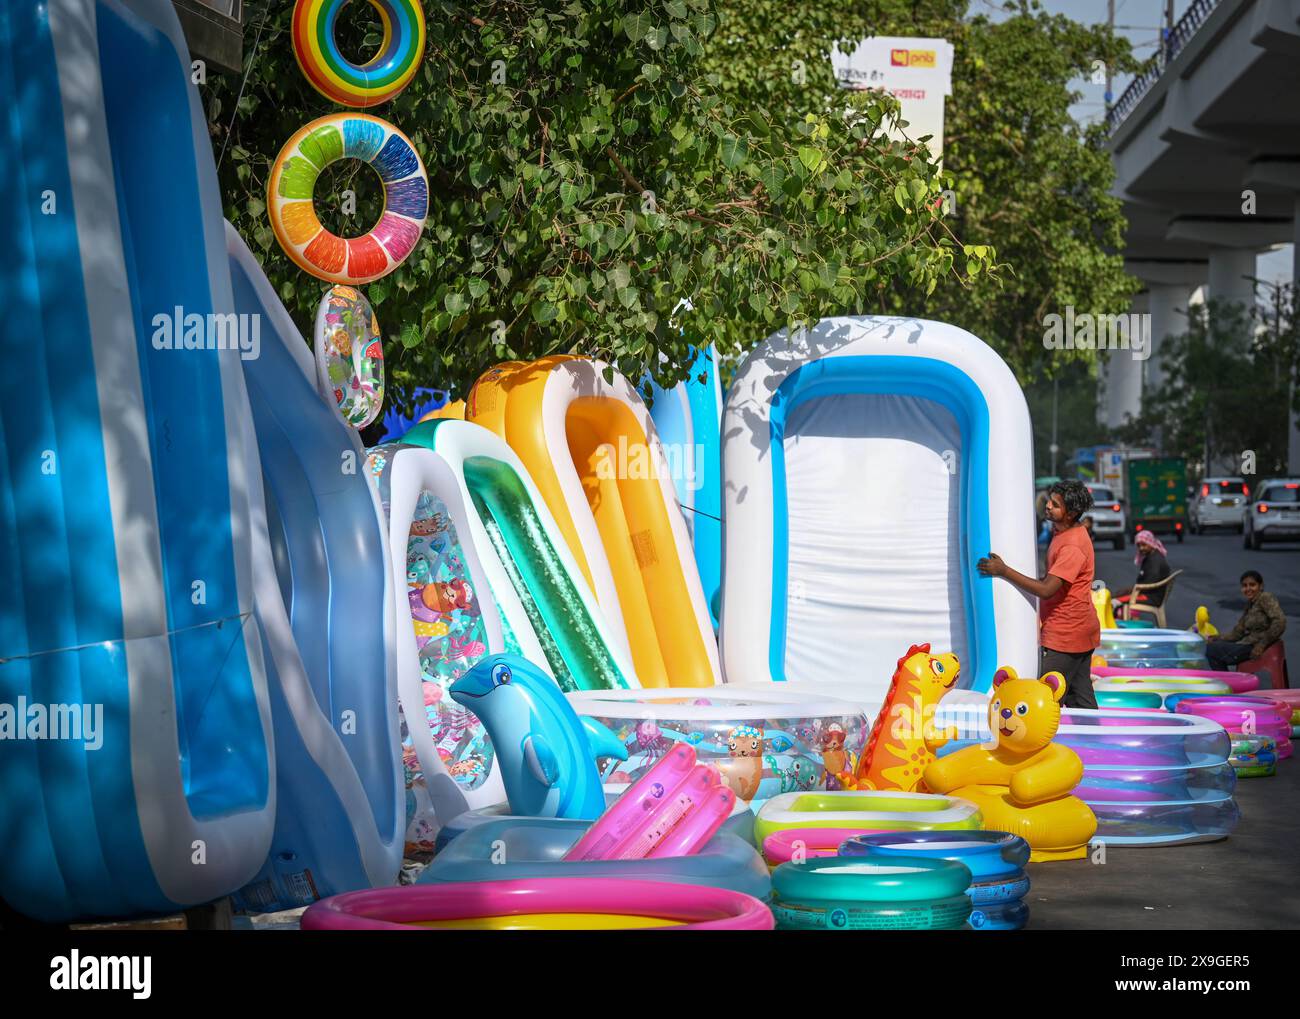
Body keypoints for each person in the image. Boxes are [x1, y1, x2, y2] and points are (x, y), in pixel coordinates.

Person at [978, 479, 1099, 709]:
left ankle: (1060, 742)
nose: (1048, 506)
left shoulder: (1072, 545)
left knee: (1042, 700)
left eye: (1055, 504)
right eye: (1049, 500)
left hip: (1067, 634)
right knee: (1080, 698)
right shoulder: (1063, 531)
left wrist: (1004, 571)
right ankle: (1094, 741)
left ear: (1071, 513)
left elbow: (1047, 589)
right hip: (1077, 630)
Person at [1206, 570, 1286, 671]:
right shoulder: (1250, 605)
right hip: (1247, 645)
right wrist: (1217, 638)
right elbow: (1237, 633)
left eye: (1252, 585)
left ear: (1260, 586)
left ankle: (1227, 683)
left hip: (1255, 646)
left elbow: (1280, 621)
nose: (1248, 589)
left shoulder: (1265, 598)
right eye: (1244, 586)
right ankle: (1229, 682)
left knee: (1211, 650)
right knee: (1213, 646)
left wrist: (1262, 644)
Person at [1115, 530, 1172, 612]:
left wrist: (1132, 590)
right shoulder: (1151, 556)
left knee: (1114, 601)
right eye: (1138, 545)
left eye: (1144, 545)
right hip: (1147, 593)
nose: (1141, 548)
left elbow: (1150, 582)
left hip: (1151, 597)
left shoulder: (1155, 560)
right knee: (1117, 594)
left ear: (1150, 543)